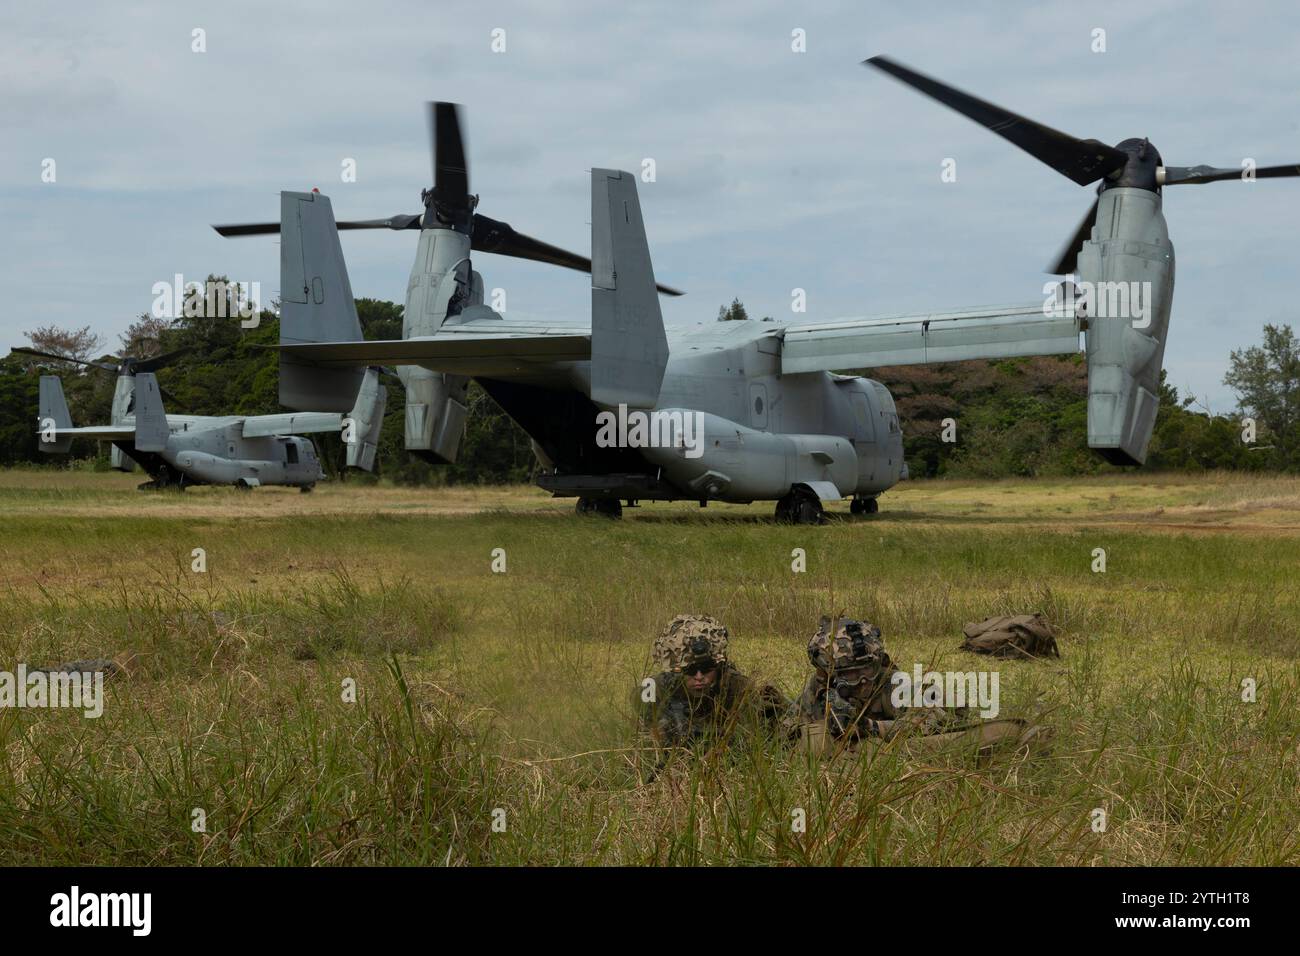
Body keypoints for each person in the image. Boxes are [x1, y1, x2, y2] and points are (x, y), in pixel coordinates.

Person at [790, 616, 1039, 756]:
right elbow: (790, 725)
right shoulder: (820, 688)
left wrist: (871, 727)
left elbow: (934, 716)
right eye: (848, 674)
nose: (860, 681)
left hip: (901, 750)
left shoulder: (893, 684)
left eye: (865, 670)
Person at [638, 615, 787, 755]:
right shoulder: (656, 687)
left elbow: (752, 739)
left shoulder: (737, 686)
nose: (699, 677)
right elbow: (643, 737)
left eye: (706, 668)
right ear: (676, 670)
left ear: (718, 666)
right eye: (690, 670)